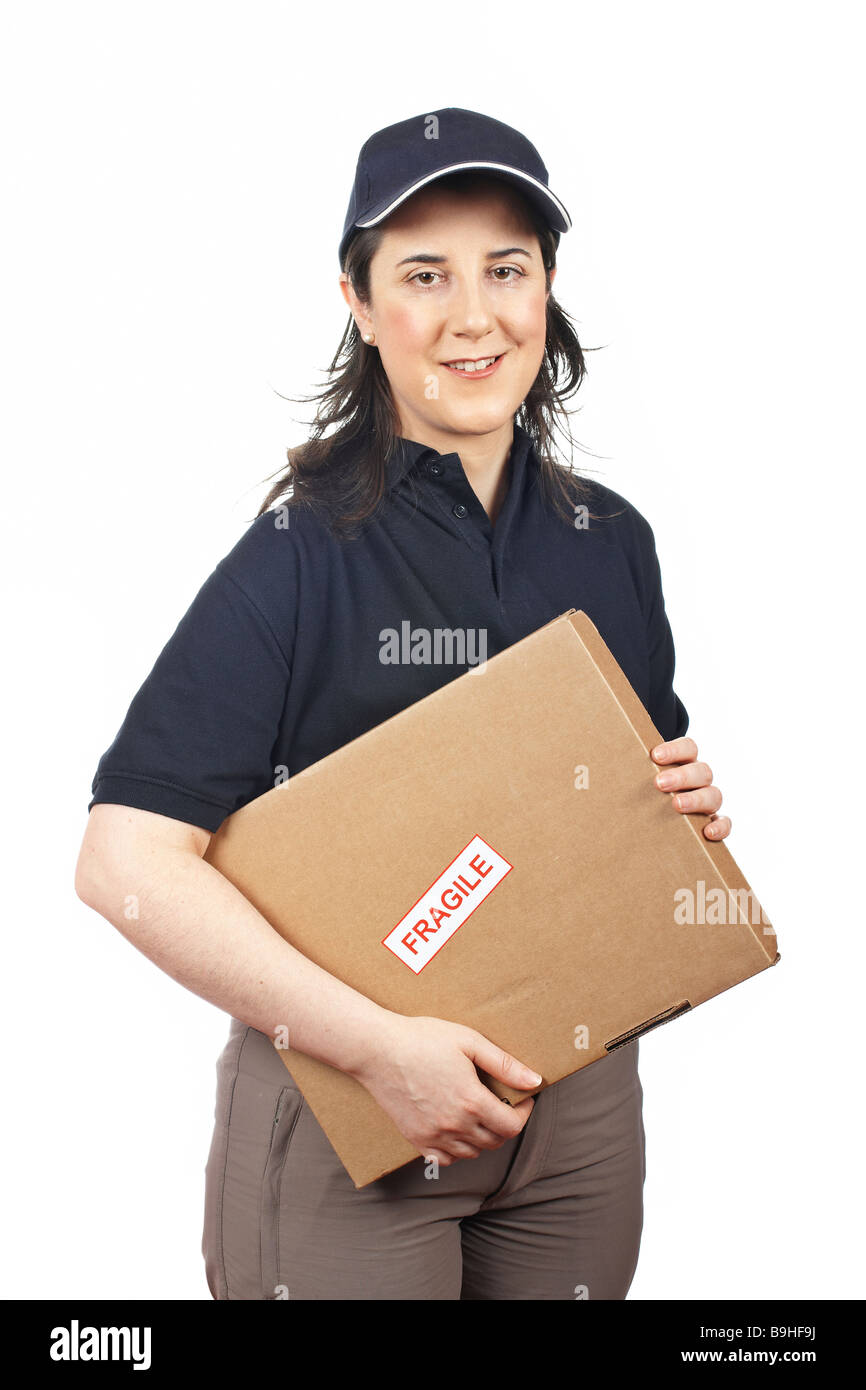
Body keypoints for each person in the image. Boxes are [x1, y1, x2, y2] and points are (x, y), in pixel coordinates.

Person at [75, 107, 730, 1301]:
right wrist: (378, 1050)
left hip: (578, 1108)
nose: (472, 315)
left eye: (505, 269)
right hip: (351, 1112)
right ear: (360, 304)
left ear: (547, 291)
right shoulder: (297, 554)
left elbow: (614, 802)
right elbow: (124, 859)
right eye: (422, 274)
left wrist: (679, 810)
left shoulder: (609, 541)